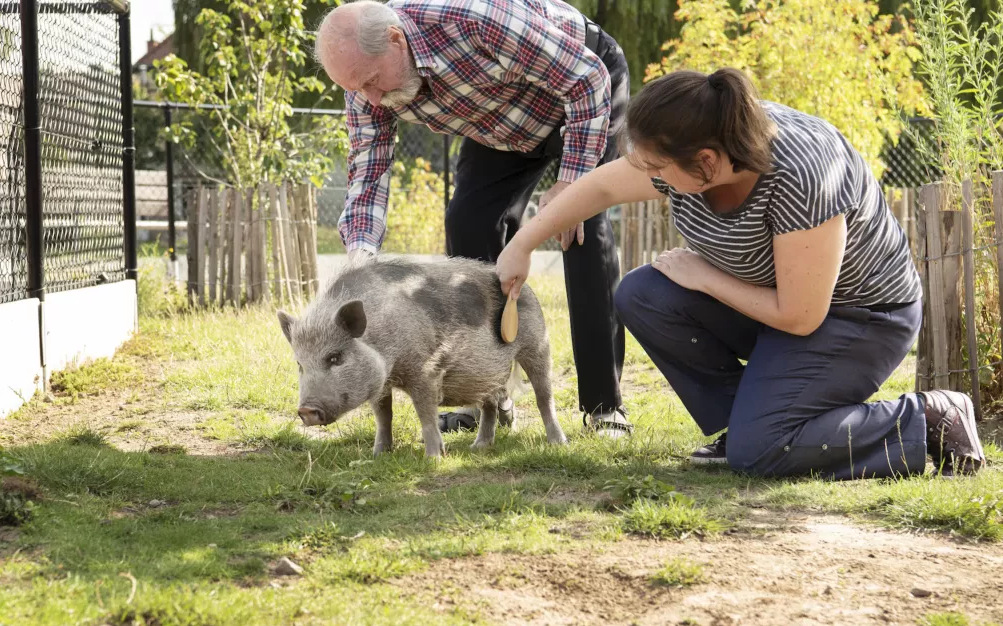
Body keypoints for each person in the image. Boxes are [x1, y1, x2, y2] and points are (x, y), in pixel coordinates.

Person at [494, 67, 987, 479]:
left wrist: (704, 276)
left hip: (860, 318)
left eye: (657, 169)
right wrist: (521, 244)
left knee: (762, 452)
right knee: (643, 294)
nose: (648, 177)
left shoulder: (803, 173)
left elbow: (800, 315)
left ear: (706, 161)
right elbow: (601, 188)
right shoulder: (698, 141)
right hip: (774, 303)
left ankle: (927, 419)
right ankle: (751, 423)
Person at [313, 0, 634, 438]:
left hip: (580, 89)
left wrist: (573, 185)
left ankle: (604, 407)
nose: (371, 98)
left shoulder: (472, 18)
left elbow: (587, 77)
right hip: (500, 118)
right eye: (356, 88)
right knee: (466, 221)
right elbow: (368, 174)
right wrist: (360, 256)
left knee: (579, 228)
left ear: (395, 39)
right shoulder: (367, 87)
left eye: (371, 80)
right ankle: (487, 393)